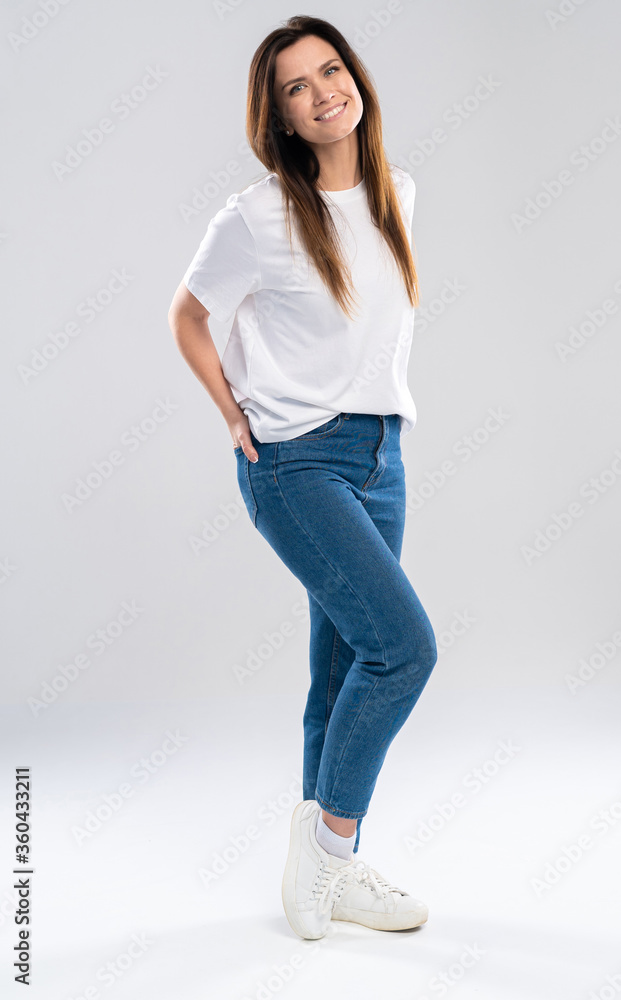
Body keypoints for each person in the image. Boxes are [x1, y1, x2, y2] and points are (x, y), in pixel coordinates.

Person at [168, 15, 438, 940]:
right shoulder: (257, 215)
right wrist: (233, 415)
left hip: (379, 454)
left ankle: (332, 870)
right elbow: (188, 316)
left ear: (354, 77)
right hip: (293, 461)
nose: (324, 91)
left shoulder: (398, 191)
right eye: (297, 85)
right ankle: (326, 848)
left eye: (332, 69)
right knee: (403, 650)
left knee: (343, 670)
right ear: (279, 115)